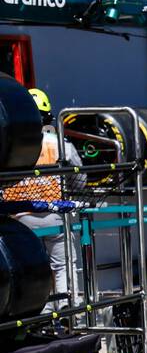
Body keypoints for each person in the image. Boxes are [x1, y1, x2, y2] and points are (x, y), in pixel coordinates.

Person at [4, 88, 81, 304]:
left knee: (29, 266)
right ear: (47, 117)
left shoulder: (9, 146)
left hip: (18, 217)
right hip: (54, 213)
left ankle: (41, 309)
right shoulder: (60, 144)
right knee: (64, 265)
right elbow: (79, 178)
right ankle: (68, 308)